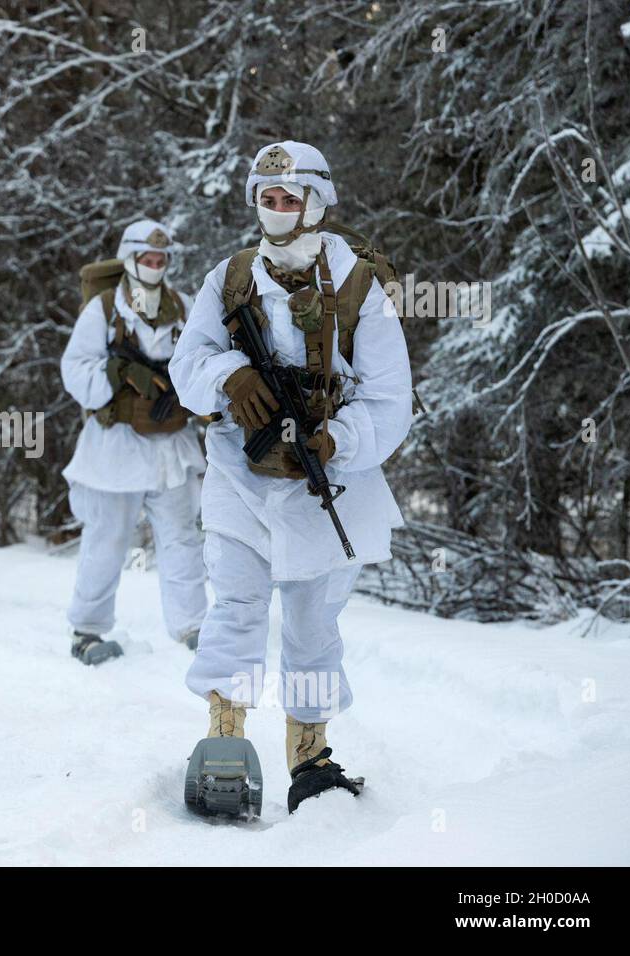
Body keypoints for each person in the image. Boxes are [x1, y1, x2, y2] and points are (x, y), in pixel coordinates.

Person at [169, 141, 413, 811]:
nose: (277, 211)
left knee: (312, 625)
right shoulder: (230, 276)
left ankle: (310, 757)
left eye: (289, 199)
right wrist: (231, 375)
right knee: (237, 609)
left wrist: (339, 438)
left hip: (326, 482)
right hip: (239, 472)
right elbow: (188, 369)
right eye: (266, 200)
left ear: (319, 201)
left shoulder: (361, 283)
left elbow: (391, 399)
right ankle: (224, 741)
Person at [60, 219, 207, 665]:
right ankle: (87, 630)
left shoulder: (184, 306)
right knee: (107, 540)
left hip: (171, 447)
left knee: (182, 540)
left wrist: (184, 391)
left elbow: (206, 360)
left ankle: (194, 628)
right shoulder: (104, 310)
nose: (155, 266)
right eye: (147, 258)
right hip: (115, 449)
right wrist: (120, 375)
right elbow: (75, 371)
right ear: (130, 259)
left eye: (161, 259)